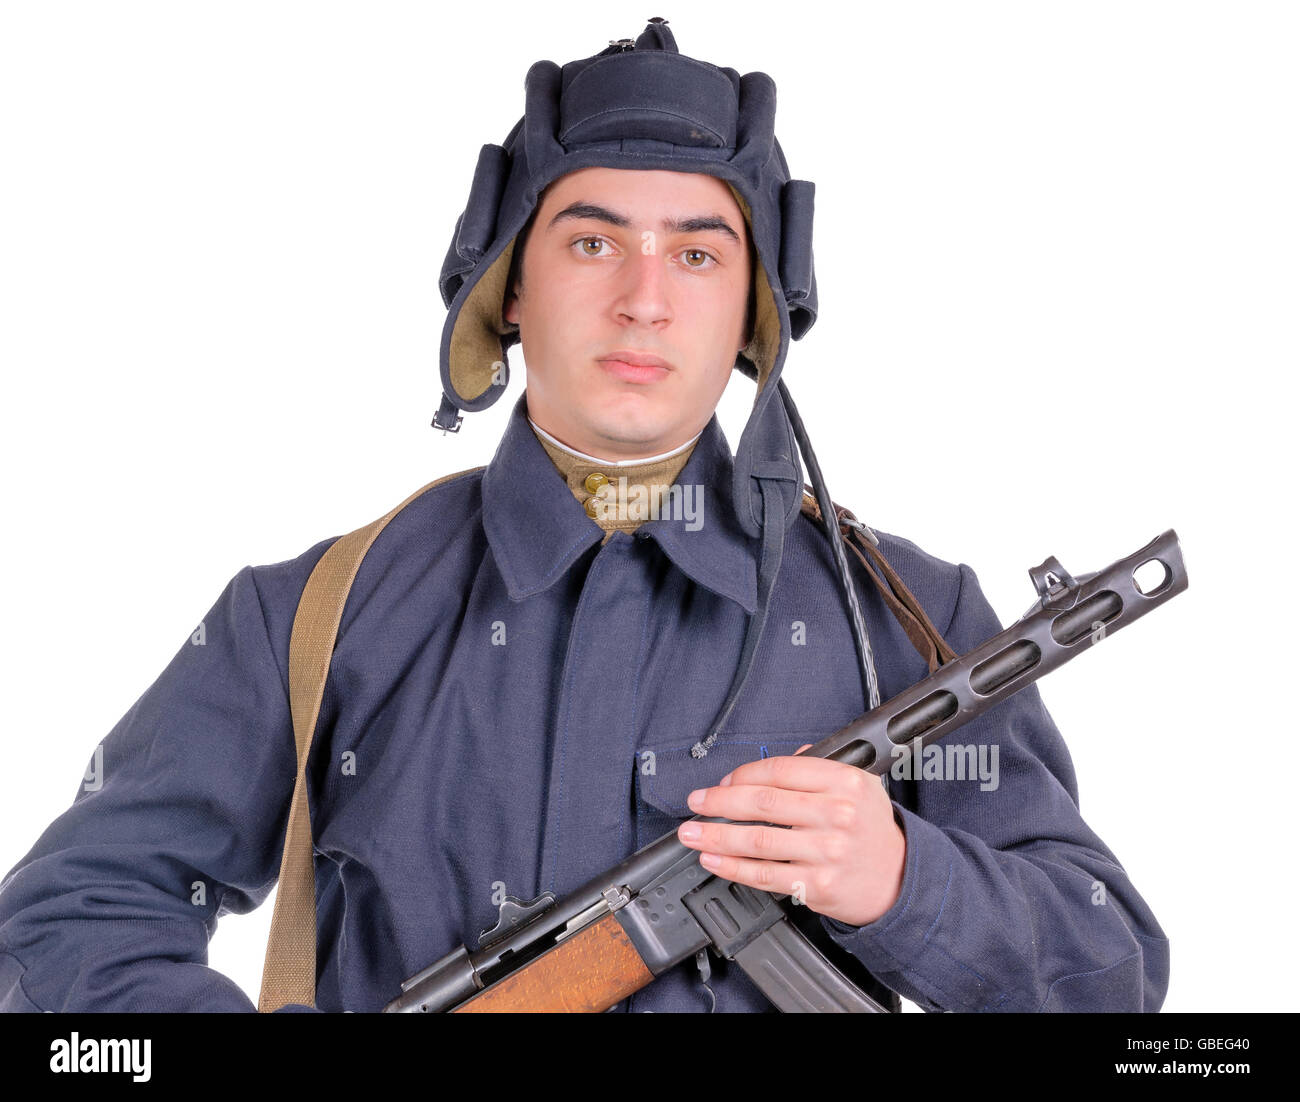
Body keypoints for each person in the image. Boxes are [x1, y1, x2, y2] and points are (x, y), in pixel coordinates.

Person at [0, 19, 1168, 1014]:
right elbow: (64, 919)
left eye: (699, 253)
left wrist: (905, 878)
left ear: (753, 312)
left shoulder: (907, 617)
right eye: (593, 240)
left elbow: (1112, 968)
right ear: (509, 285)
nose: (645, 298)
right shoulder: (309, 618)